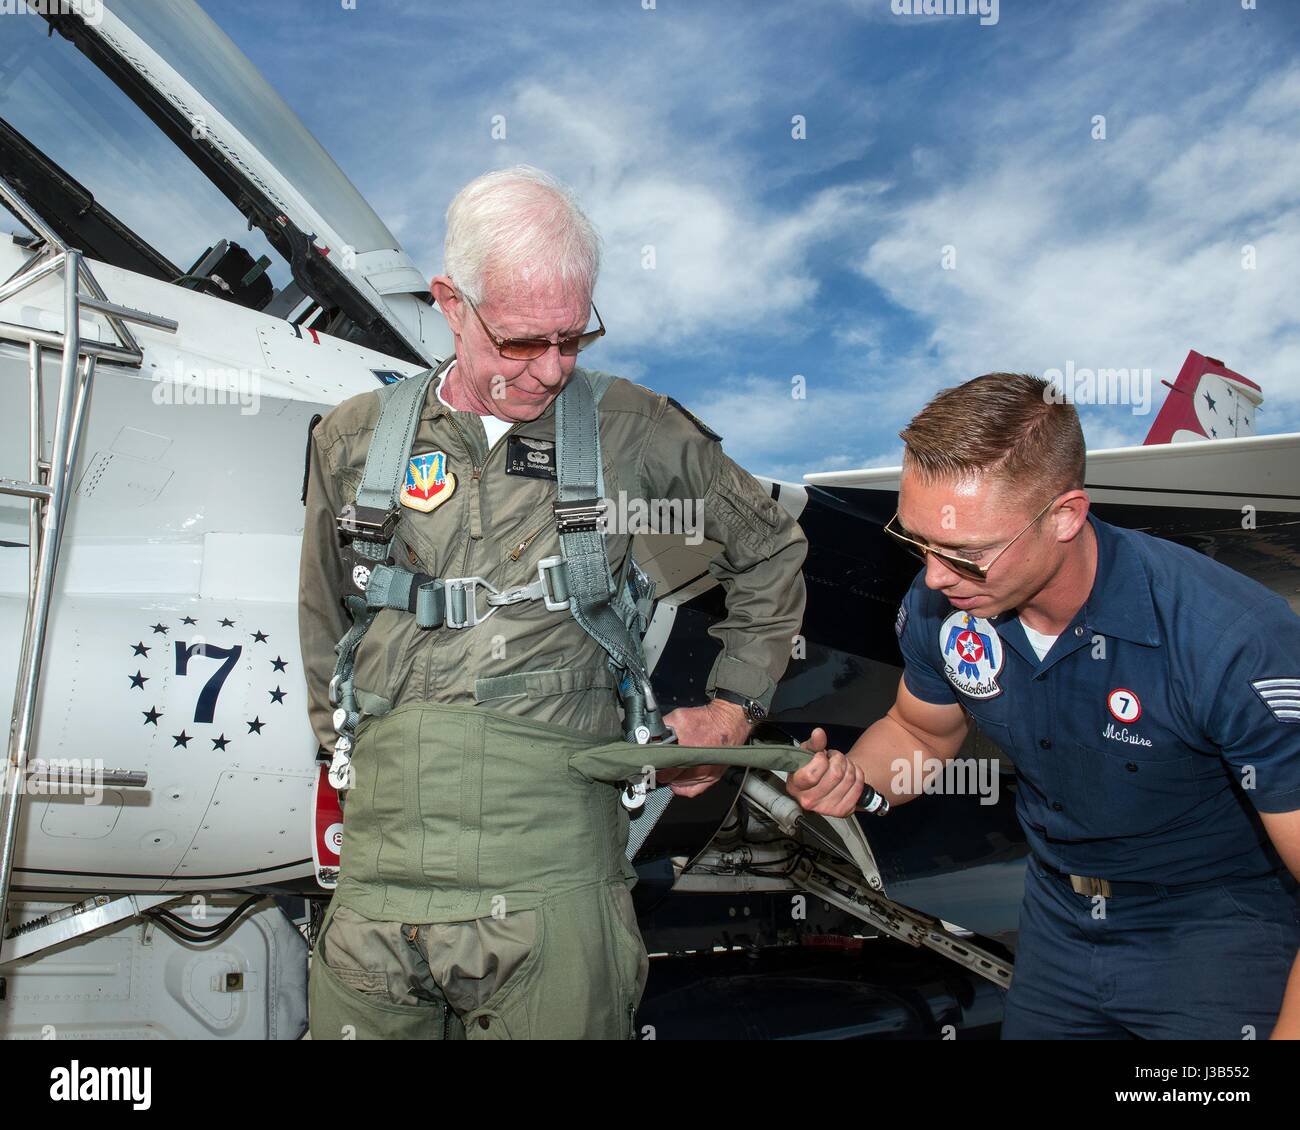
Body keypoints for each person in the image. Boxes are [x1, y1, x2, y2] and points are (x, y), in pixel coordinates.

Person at [298, 165, 808, 1039]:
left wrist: (731, 710)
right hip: (376, 885)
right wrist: (353, 759)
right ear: (451, 303)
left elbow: (771, 545)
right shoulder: (353, 440)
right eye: (524, 342)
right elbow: (325, 615)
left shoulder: (630, 428)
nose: (552, 370)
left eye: (574, 339)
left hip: (549, 882)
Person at [786, 372, 1300, 1039]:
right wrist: (855, 781)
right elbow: (918, 731)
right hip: (1059, 924)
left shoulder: (1229, 640)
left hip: (1213, 934)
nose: (935, 575)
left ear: (1065, 515)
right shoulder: (942, 607)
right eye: (918, 541)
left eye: (966, 554)